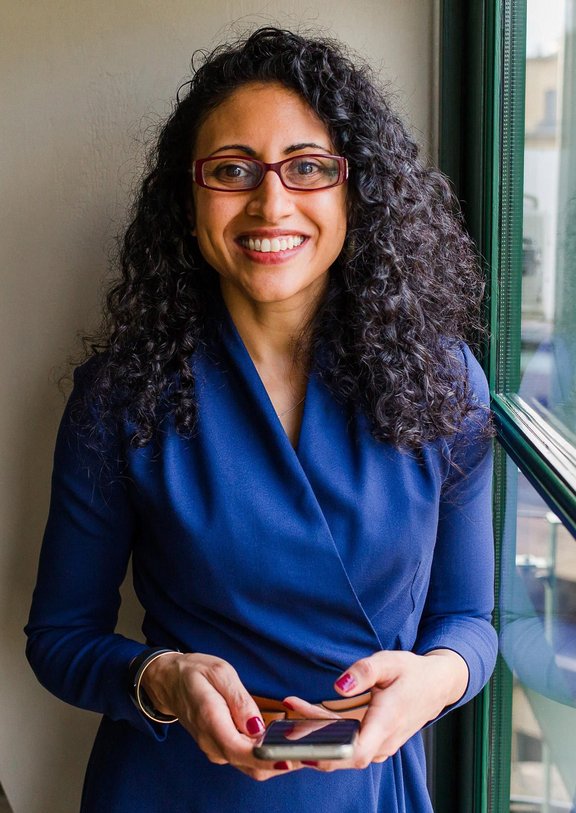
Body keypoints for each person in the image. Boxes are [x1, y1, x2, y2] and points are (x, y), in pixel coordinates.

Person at [25, 27, 498, 813]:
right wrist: (161, 678)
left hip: (368, 788)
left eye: (307, 167)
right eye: (232, 170)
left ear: (356, 191)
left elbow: (469, 619)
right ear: (190, 200)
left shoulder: (444, 382)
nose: (271, 202)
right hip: (169, 789)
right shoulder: (120, 394)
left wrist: (437, 678)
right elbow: (59, 636)